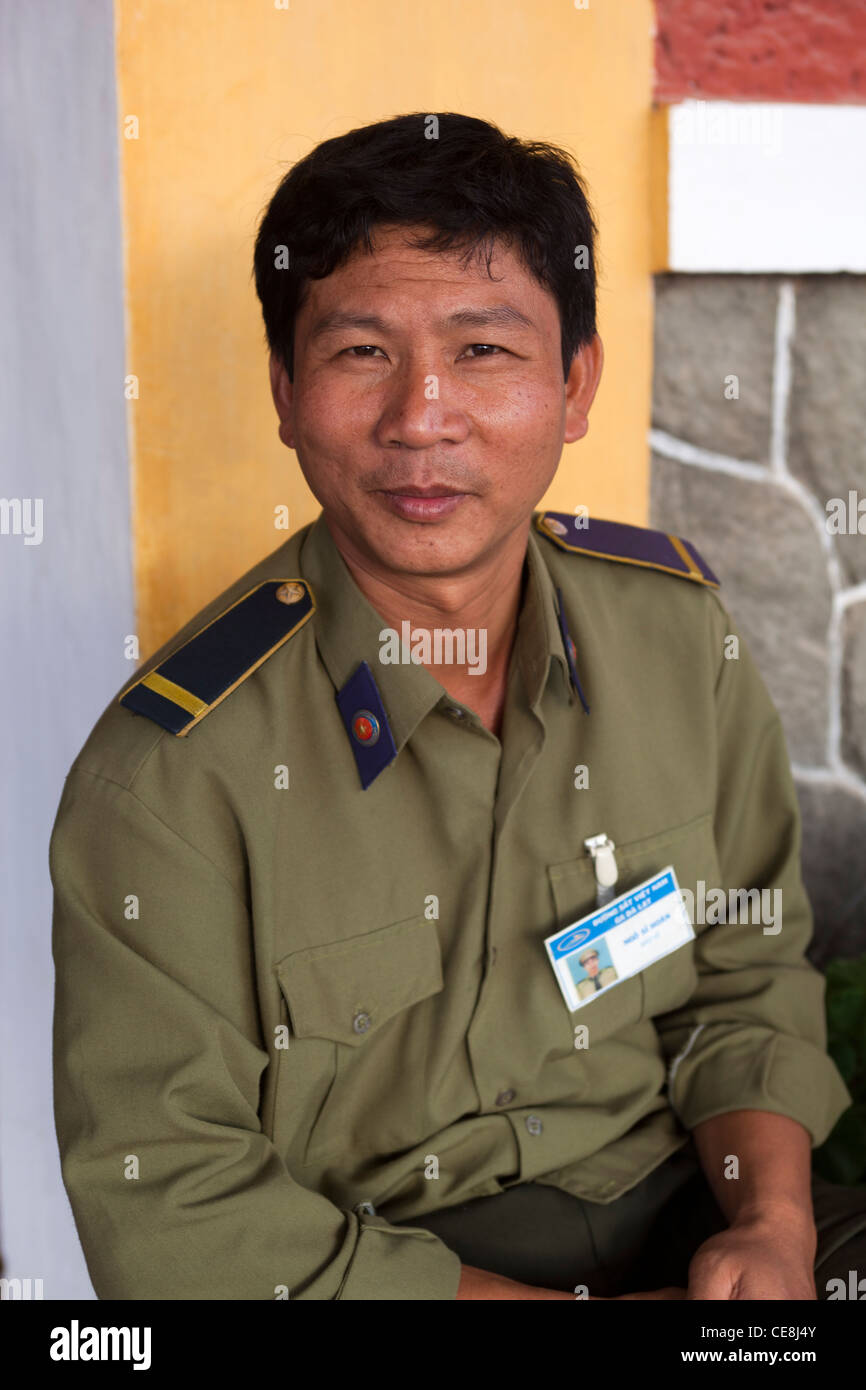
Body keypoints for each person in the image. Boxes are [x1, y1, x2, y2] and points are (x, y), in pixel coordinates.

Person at [50, 111, 865, 1302]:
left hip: (679, 1212)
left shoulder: (672, 636)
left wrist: (774, 1232)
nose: (420, 418)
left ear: (574, 384)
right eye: (361, 352)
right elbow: (175, 1206)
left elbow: (744, 970)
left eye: (482, 350)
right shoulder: (168, 780)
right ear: (284, 392)